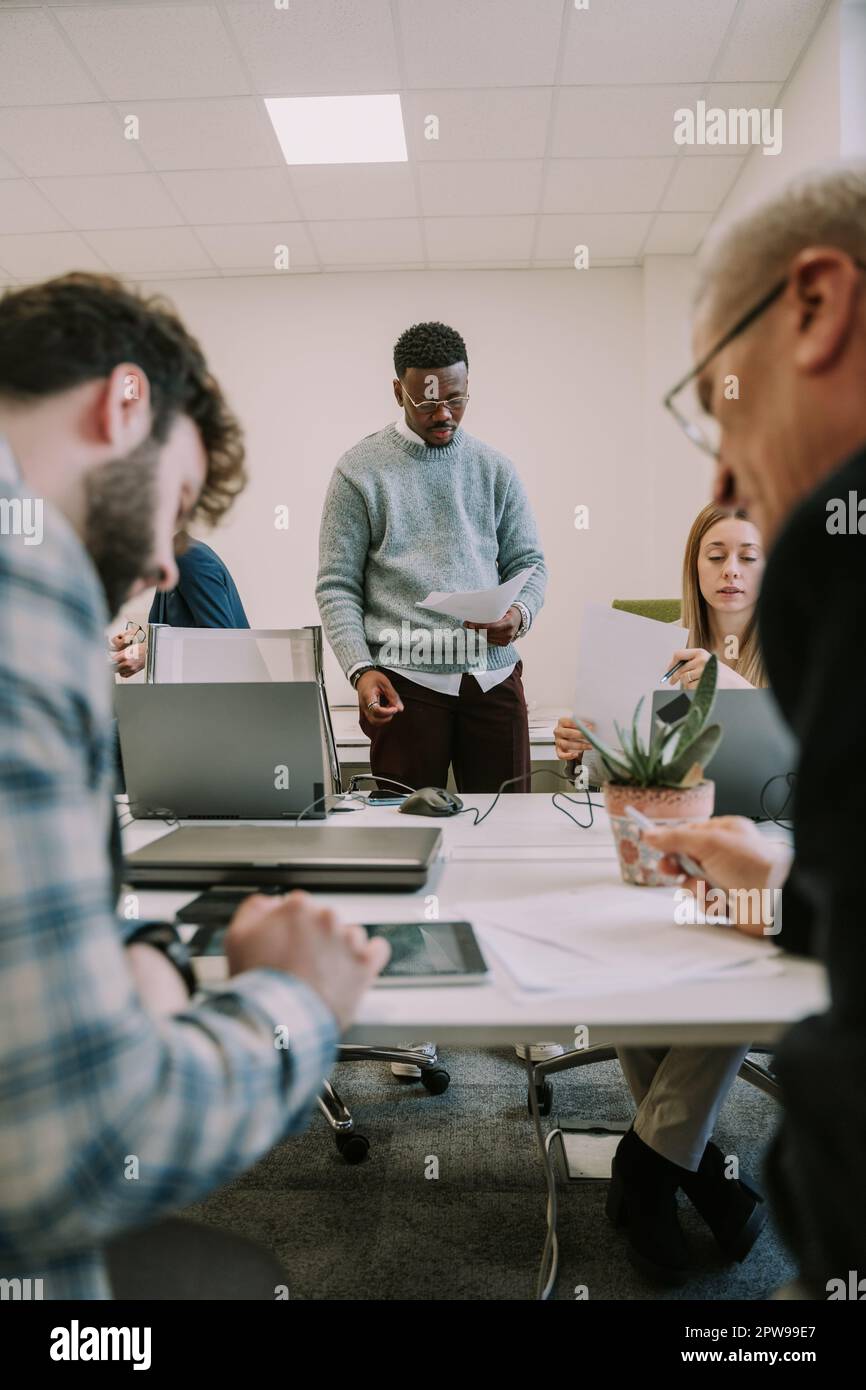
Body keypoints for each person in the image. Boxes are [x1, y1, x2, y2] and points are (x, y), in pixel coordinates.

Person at [0, 272, 388, 1300]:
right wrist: (292, 1001)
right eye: (174, 505)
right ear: (123, 402)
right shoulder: (21, 567)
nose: (168, 565)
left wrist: (142, 960)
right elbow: (77, 1153)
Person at [641, 165, 866, 1296]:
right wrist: (785, 890)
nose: (723, 470)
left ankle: (661, 1169)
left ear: (817, 306)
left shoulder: (836, 544)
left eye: (714, 397)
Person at [550, 506, 771, 1281]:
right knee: (631, 960)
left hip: (765, 867)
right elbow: (627, 782)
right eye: (716, 554)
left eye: (749, 554)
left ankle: (644, 1173)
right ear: (696, 566)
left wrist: (732, 686)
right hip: (665, 861)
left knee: (738, 972)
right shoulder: (659, 652)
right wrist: (585, 750)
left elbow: (804, 772)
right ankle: (701, 1174)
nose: (732, 569)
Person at [316, 320, 547, 796]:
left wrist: (520, 615)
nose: (443, 413)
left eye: (456, 399)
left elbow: (531, 564)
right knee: (401, 835)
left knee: (508, 829)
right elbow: (336, 585)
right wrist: (360, 668)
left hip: (492, 676)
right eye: (426, 401)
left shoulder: (495, 468)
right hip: (404, 684)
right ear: (398, 392)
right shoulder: (358, 471)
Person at [110, 533, 249, 678]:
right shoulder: (173, 561)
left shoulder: (190, 557)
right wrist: (137, 639)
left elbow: (221, 641)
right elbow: (180, 628)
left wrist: (149, 652)